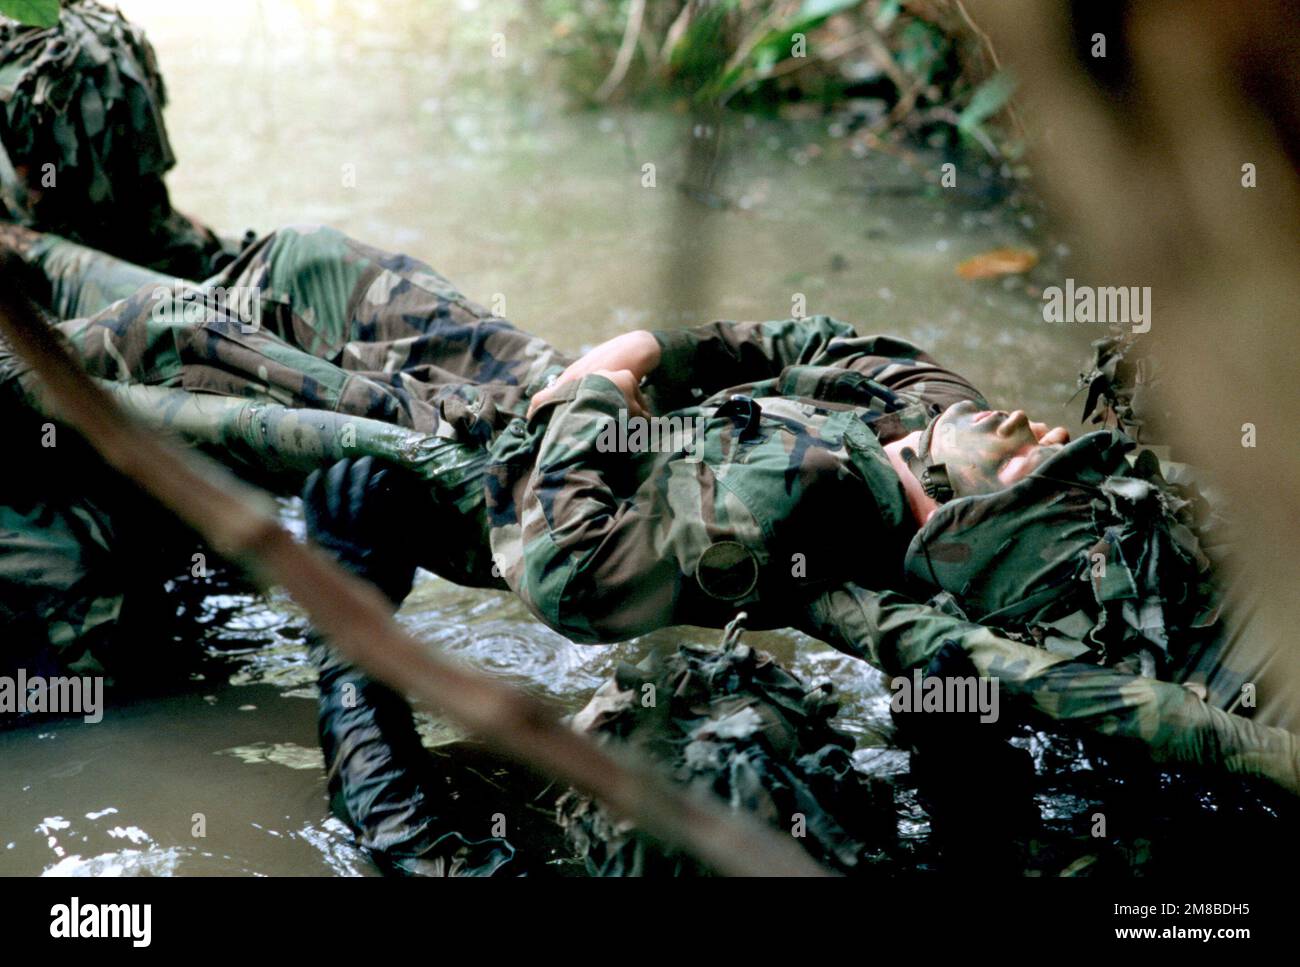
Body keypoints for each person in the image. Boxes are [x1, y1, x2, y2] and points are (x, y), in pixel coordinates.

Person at [2, 223, 1295, 874]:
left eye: (1019, 458)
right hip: (557, 450)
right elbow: (808, 348)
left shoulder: (761, 775)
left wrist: (352, 620)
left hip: (522, 515)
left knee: (186, 357)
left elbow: (417, 852)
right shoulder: (912, 448)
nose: (1021, 427)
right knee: (293, 272)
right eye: (1039, 439)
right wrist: (627, 372)